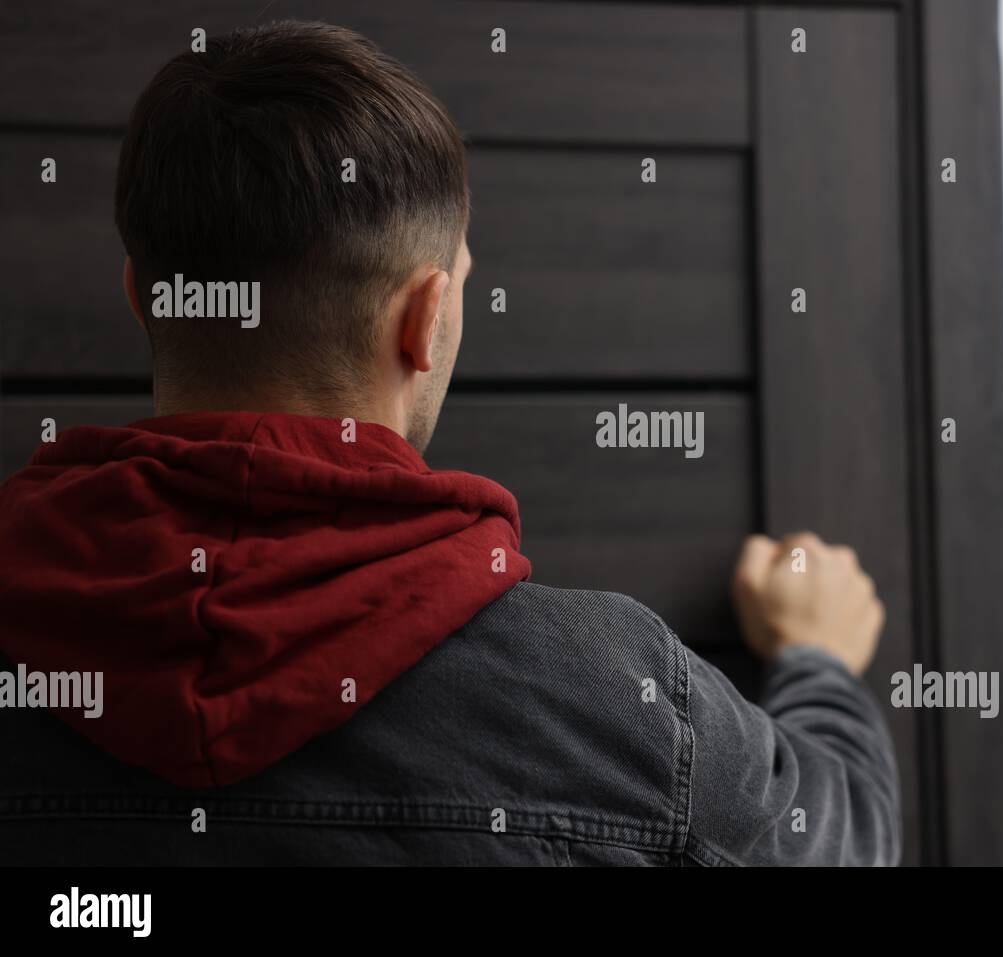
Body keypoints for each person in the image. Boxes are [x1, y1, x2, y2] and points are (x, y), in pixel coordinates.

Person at [0, 20, 899, 866]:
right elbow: (843, 841)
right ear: (426, 319)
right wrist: (816, 659)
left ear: (141, 295)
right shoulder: (617, 695)